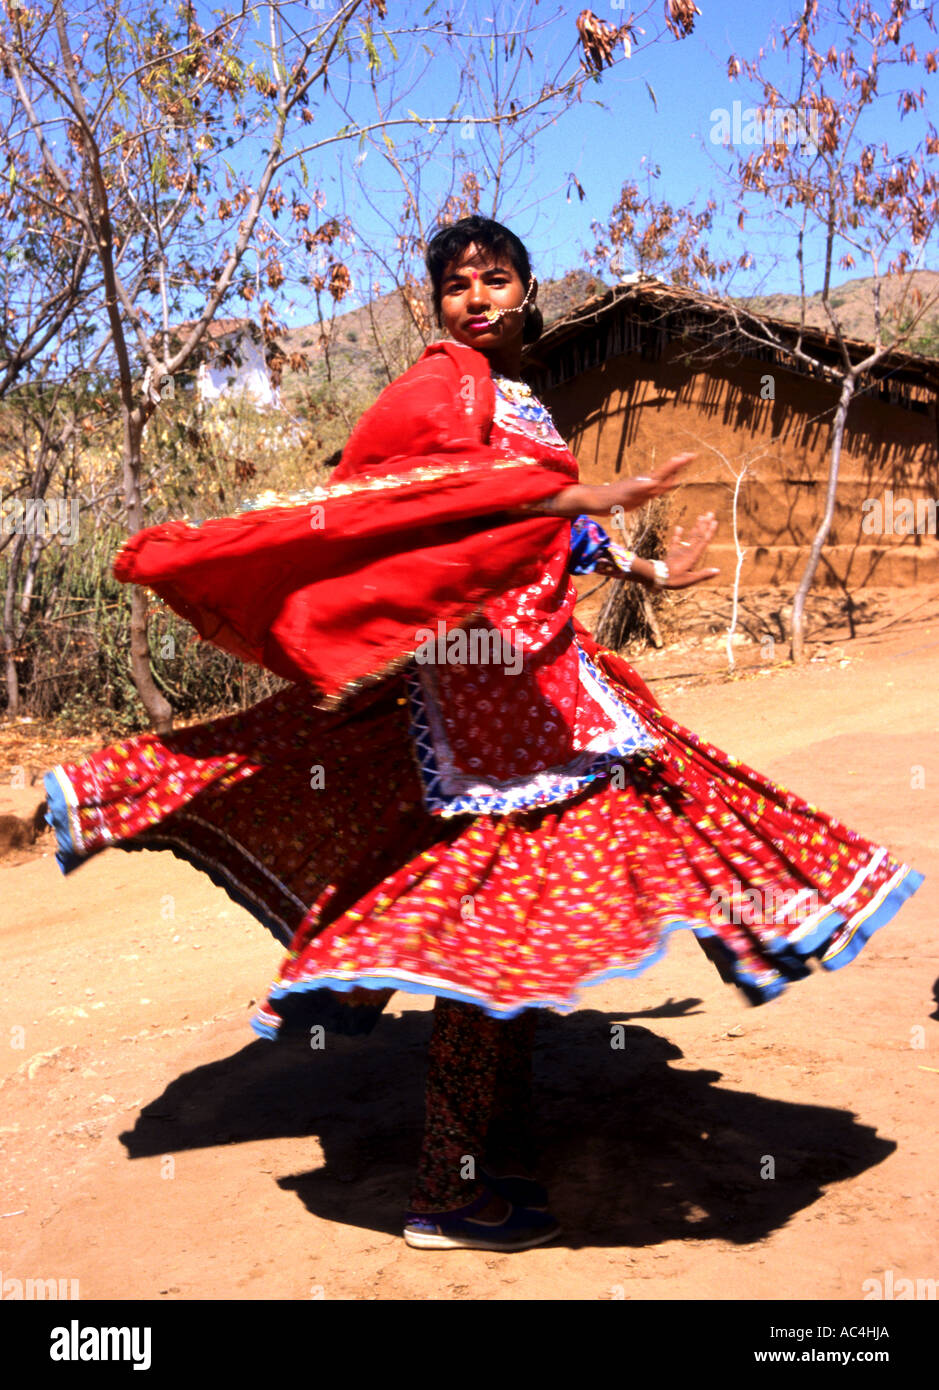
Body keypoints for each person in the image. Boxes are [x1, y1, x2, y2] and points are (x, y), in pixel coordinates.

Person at [44, 216, 923, 1255]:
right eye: (456, 282)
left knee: (530, 919)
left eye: (493, 277)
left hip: (544, 685)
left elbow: (556, 532)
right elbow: (432, 498)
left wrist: (643, 569)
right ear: (437, 305)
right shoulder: (442, 388)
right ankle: (450, 1189)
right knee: (491, 930)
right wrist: (564, 491)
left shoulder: (516, 399)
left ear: (527, 288)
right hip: (483, 703)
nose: (475, 295)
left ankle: (491, 1152)